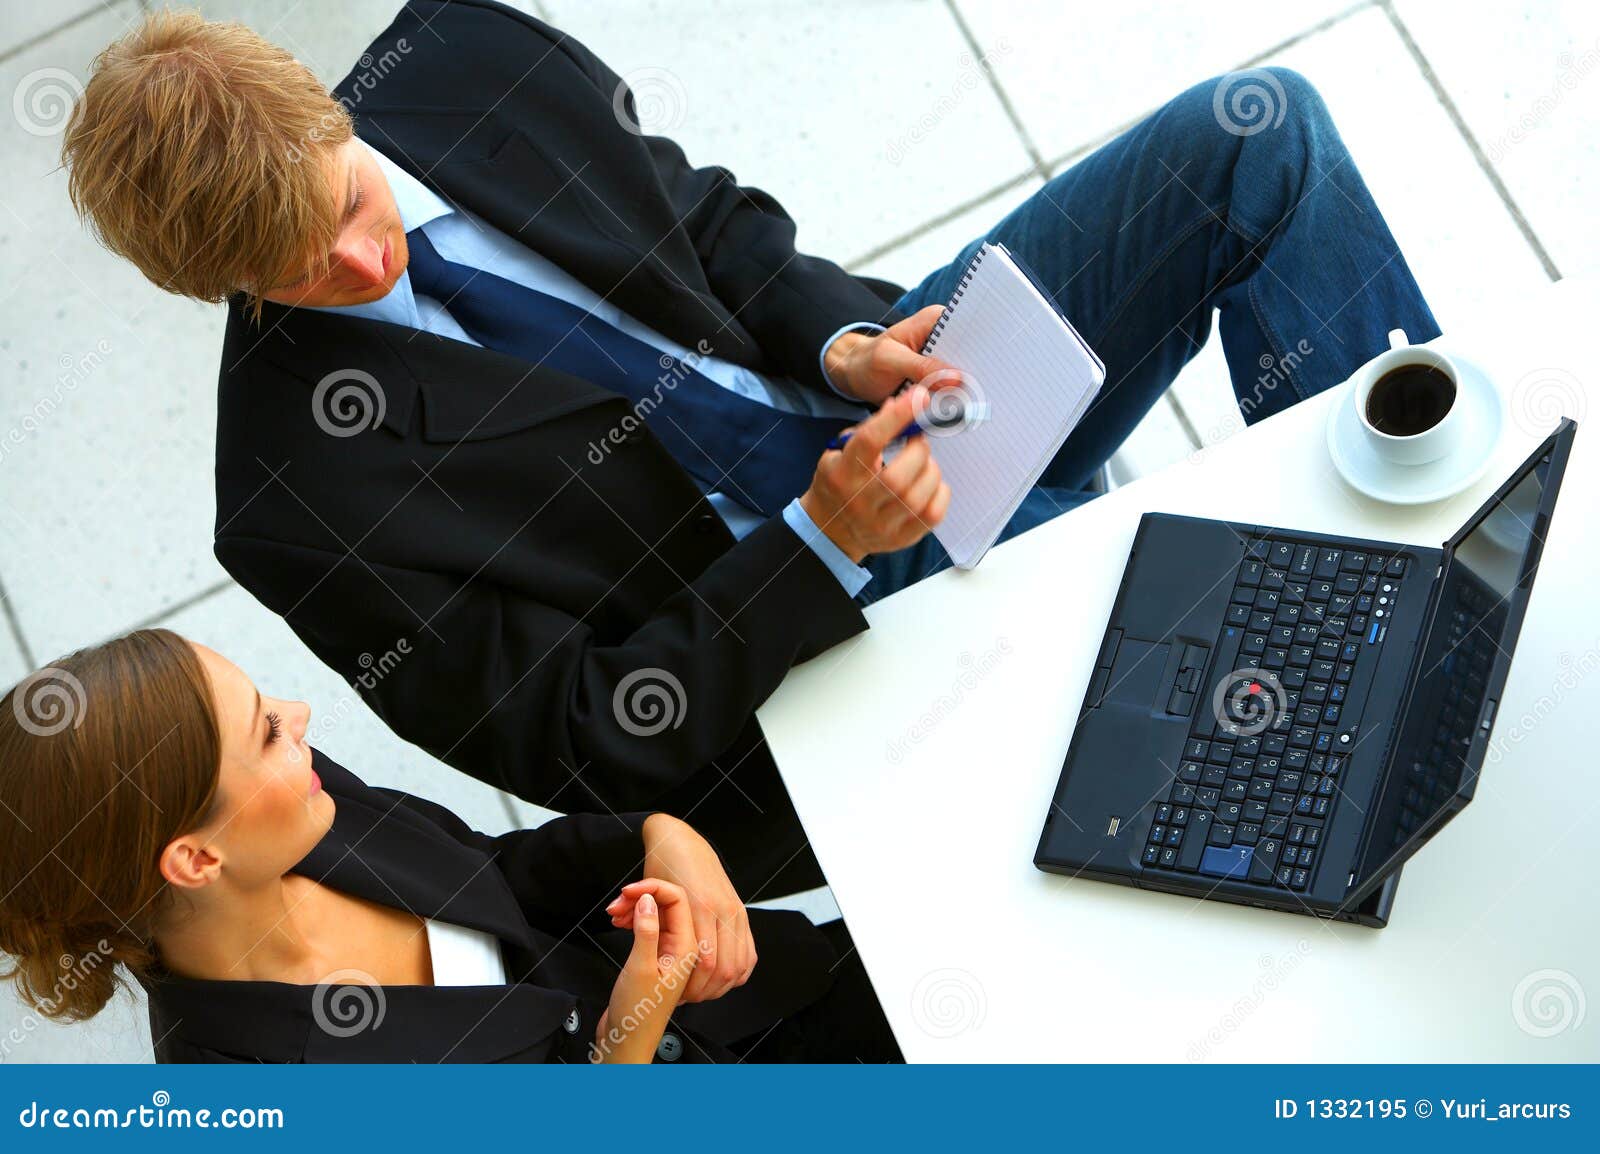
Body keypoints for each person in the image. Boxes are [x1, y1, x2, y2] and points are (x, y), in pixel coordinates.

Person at [59, 4, 1438, 898]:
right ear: (218, 289)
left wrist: (837, 341)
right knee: (1167, 617)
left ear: (332, 104)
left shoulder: (460, 55)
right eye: (307, 275)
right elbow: (587, 742)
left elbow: (707, 223)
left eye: (353, 200)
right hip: (784, 638)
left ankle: (1431, 533)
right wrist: (825, 542)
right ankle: (1371, 669)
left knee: (1259, 143)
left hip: (858, 407)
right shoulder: (294, 505)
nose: (366, 260)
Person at [0, 630, 899, 1062]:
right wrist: (632, 1025)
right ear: (195, 858)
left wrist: (664, 840)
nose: (300, 717)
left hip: (764, 1007)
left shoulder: (307, 807)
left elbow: (500, 870)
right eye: (267, 731)